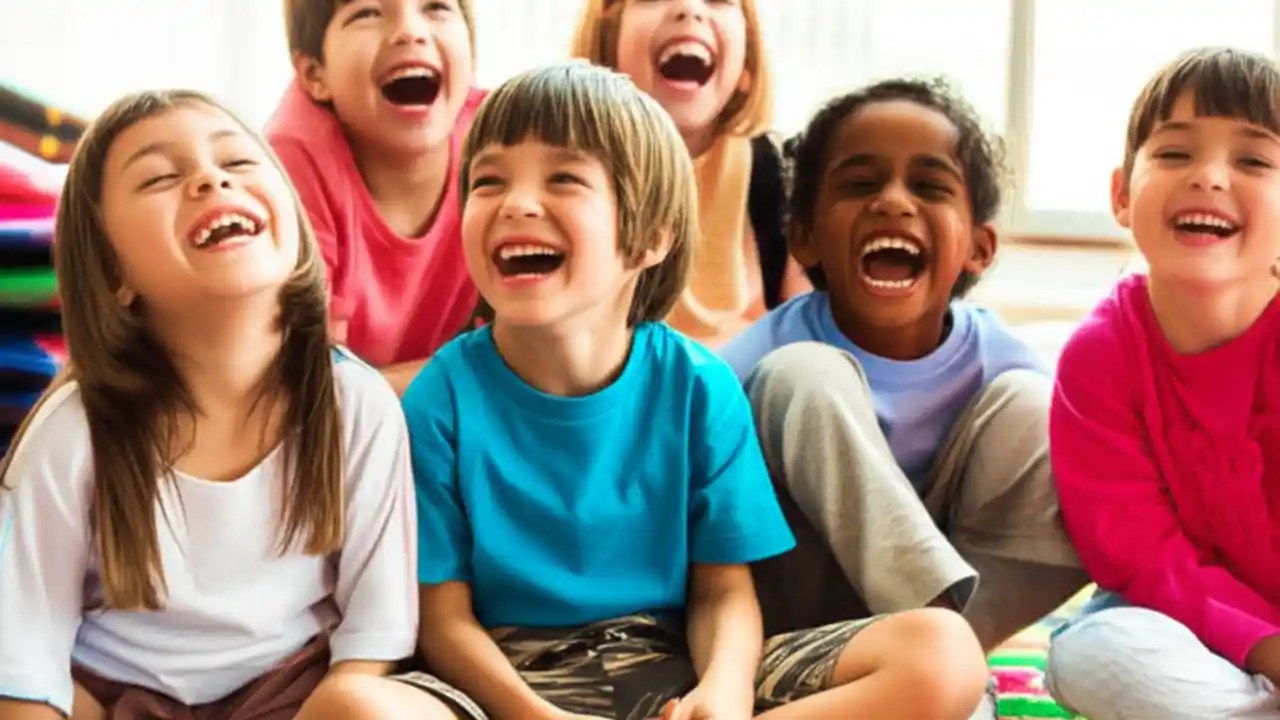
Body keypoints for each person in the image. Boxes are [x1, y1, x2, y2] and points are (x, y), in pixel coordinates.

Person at [392, 61, 989, 720]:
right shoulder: (439, 398)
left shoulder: (700, 388)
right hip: (505, 681)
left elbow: (723, 591)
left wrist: (725, 695)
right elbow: (441, 619)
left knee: (945, 653)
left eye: (563, 178)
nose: (517, 203)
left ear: (650, 237)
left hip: (669, 668)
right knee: (353, 706)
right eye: (488, 181)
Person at [0, 89, 468, 720]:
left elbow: (374, 634)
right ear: (115, 275)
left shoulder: (353, 403)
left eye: (239, 163)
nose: (209, 179)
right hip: (118, 697)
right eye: (160, 177)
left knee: (370, 708)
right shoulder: (72, 435)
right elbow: (28, 666)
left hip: (301, 689)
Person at [719, 78, 1086, 656]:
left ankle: (943, 658)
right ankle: (934, 655)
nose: (892, 200)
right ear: (804, 237)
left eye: (929, 186)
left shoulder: (999, 359)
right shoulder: (754, 363)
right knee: (803, 378)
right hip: (796, 619)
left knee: (1039, 408)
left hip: (961, 614)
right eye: (860, 184)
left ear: (979, 247)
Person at [1045, 47, 1280, 720]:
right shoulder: (1100, 356)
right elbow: (1139, 556)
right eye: (1175, 154)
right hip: (1179, 628)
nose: (1208, 176)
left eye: (1254, 160)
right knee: (1092, 654)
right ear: (1122, 195)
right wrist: (1268, 648)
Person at [266, 0, 486, 394]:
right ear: (315, 73)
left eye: (436, 7)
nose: (409, 31)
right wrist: (472, 377)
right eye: (367, 12)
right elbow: (305, 391)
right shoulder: (293, 164)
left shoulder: (500, 140)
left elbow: (534, 358)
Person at [571, 0, 810, 348]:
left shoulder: (787, 175)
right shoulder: (561, 178)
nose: (688, 8)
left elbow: (810, 348)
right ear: (608, 45)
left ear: (746, 63)